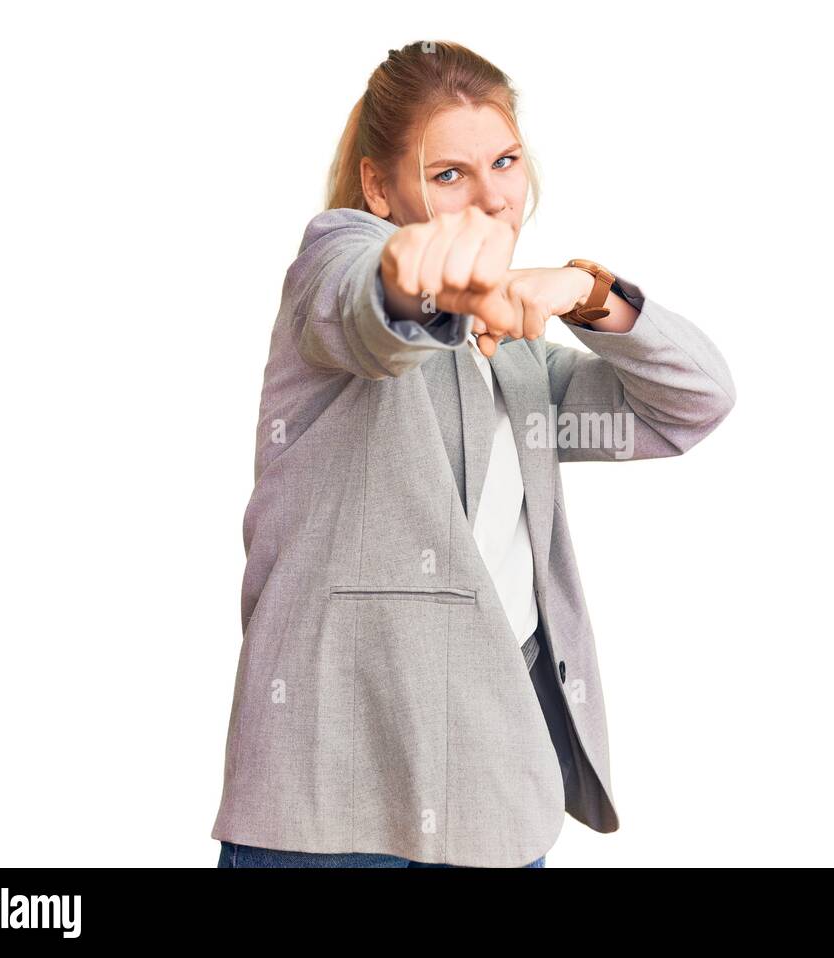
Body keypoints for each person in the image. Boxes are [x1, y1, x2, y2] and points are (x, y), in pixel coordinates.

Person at [212, 40, 736, 868]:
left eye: (505, 162)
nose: (493, 199)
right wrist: (413, 279)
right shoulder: (333, 267)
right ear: (381, 187)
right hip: (330, 814)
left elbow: (693, 400)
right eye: (449, 174)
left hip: (493, 801)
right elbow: (363, 303)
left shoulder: (522, 361)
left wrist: (587, 292)